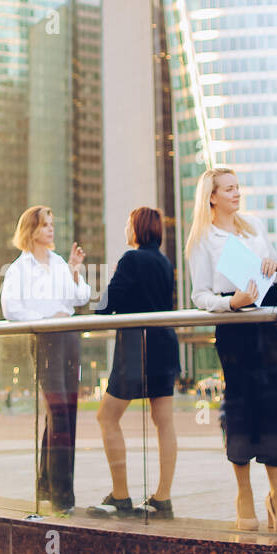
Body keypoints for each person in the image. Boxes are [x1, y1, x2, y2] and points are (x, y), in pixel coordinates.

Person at [187, 166, 277, 532]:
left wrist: (274, 266)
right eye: (228, 189)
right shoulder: (203, 239)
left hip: (269, 320)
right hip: (235, 325)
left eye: (237, 187)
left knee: (275, 406)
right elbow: (199, 295)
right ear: (212, 197)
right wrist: (232, 302)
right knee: (241, 406)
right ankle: (244, 495)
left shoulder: (254, 227)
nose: (236, 193)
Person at [89, 206, 181, 520]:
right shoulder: (165, 262)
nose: (127, 229)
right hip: (165, 346)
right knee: (164, 422)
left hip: (135, 349)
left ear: (138, 228)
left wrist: (116, 275)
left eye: (129, 223)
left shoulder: (131, 260)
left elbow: (105, 306)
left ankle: (121, 495)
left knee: (106, 417)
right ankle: (162, 498)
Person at [1, 205, 91, 514]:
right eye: (44, 225)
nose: (51, 229)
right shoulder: (19, 268)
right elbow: (11, 309)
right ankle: (62, 497)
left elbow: (79, 299)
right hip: (45, 340)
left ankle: (46, 484)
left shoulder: (60, 262)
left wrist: (75, 270)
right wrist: (46, 317)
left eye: (52, 223)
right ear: (31, 231)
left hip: (69, 340)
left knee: (66, 414)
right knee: (59, 415)